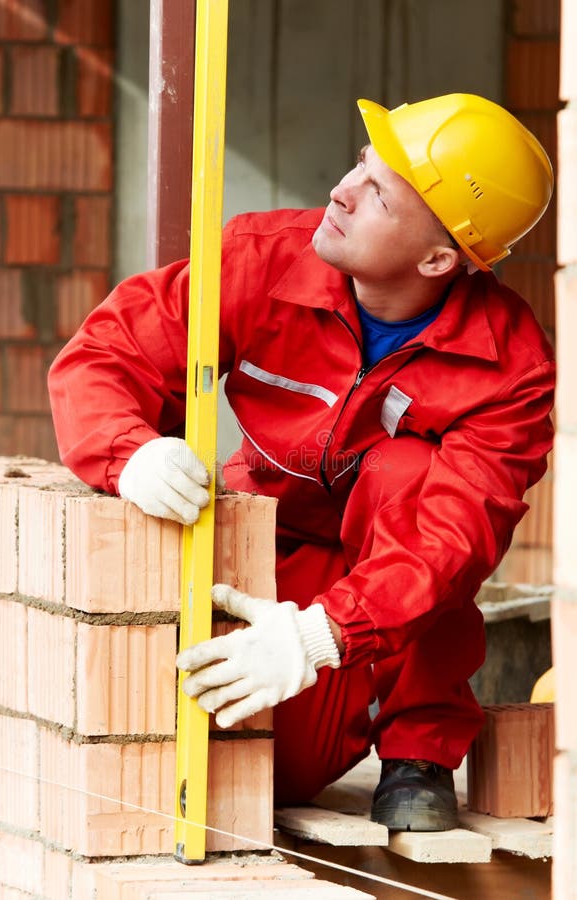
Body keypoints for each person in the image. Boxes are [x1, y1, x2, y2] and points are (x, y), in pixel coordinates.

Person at [48, 93, 555, 832]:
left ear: (439, 258)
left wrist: (320, 637)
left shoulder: (505, 366)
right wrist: (130, 453)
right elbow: (109, 351)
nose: (341, 190)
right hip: (257, 546)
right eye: (359, 164)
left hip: (373, 593)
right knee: (248, 763)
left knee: (408, 475)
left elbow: (450, 541)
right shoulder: (265, 262)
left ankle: (417, 749)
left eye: (377, 192)